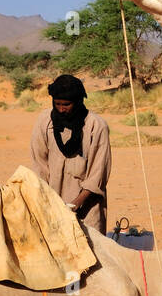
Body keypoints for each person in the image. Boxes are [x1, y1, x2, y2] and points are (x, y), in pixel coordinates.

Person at [29, 74, 111, 234]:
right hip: (51, 204)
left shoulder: (96, 126)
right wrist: (49, 202)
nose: (61, 109)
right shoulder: (44, 121)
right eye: (57, 104)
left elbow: (98, 174)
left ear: (78, 101)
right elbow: (39, 165)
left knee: (90, 251)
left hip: (87, 207)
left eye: (66, 104)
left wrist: (75, 204)